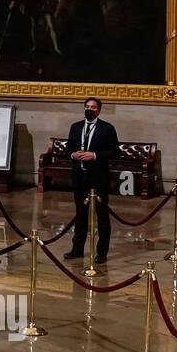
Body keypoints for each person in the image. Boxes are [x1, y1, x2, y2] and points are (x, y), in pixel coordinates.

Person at [63, 97, 119, 265]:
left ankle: (101, 252)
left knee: (102, 217)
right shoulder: (76, 127)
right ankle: (77, 249)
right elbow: (69, 147)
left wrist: (93, 155)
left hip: (98, 178)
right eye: (87, 106)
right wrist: (74, 155)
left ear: (98, 110)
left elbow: (115, 152)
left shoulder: (107, 129)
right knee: (80, 215)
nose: (89, 109)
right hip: (80, 177)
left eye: (93, 107)